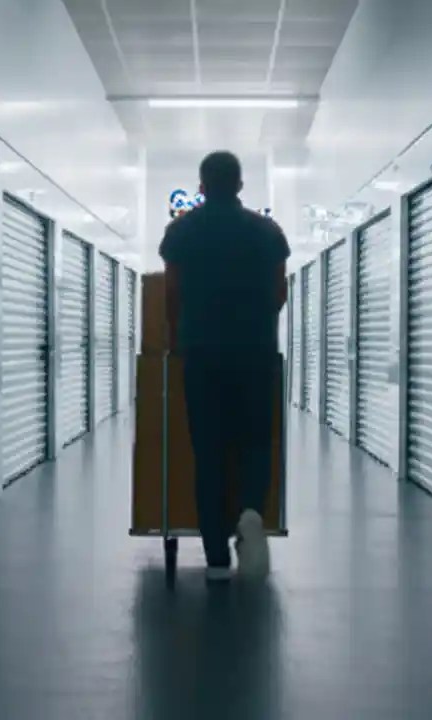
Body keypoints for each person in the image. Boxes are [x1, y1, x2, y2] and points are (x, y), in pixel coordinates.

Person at [159, 151, 290, 582]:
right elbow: (278, 294)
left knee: (209, 453)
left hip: (202, 355)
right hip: (255, 355)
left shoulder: (181, 231)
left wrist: (183, 337)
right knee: (255, 443)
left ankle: (215, 557)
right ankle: (251, 513)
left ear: (201, 185)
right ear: (239, 185)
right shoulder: (267, 232)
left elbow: (172, 294)